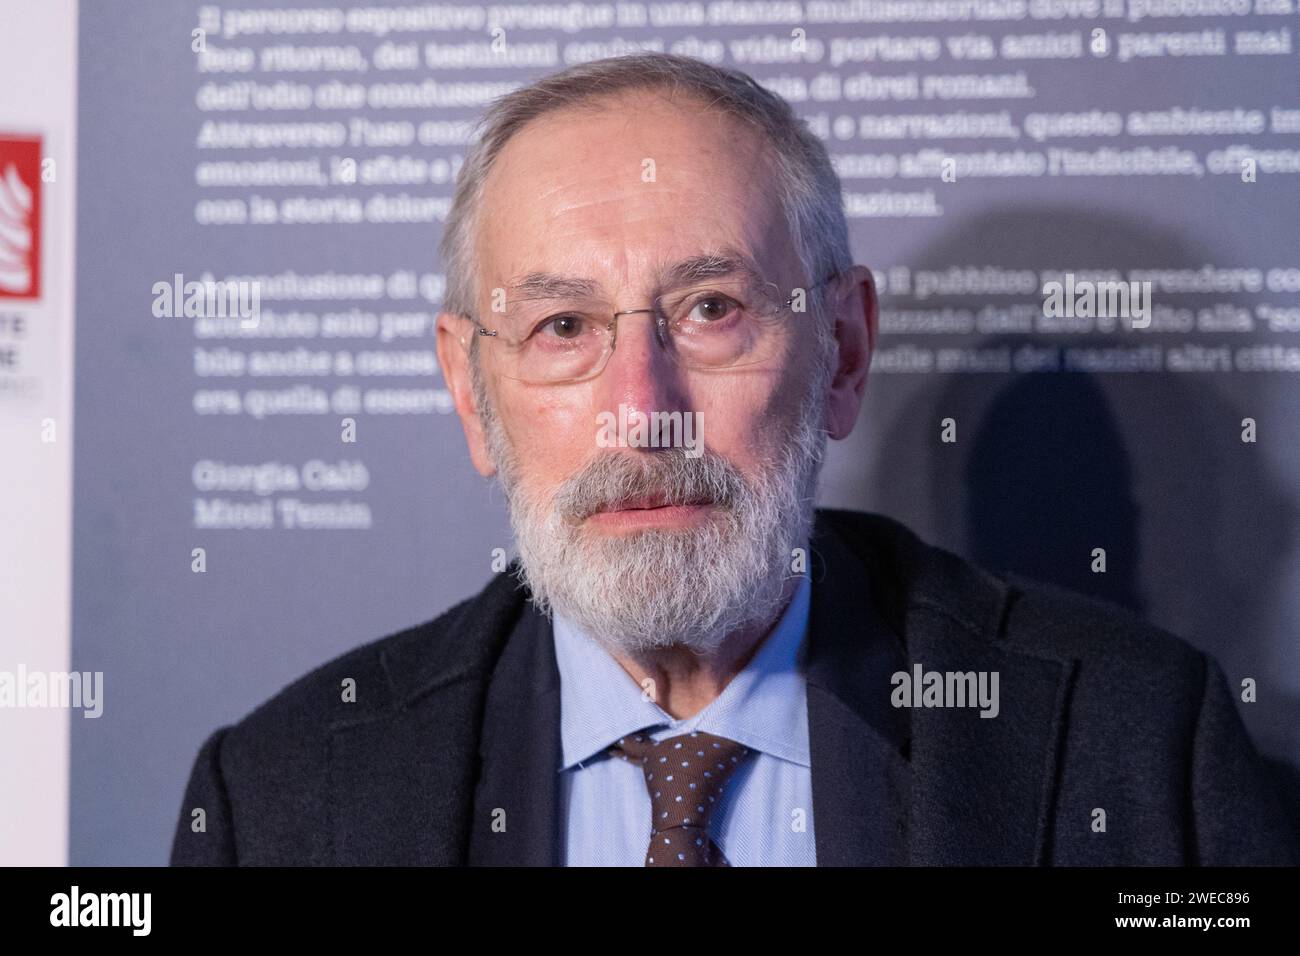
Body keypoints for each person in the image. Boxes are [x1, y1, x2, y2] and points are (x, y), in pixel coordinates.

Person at [171, 52, 1297, 866]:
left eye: (711, 309)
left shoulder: (1137, 745)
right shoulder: (281, 801)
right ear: (472, 390)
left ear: (843, 351)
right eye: (563, 328)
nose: (640, 411)